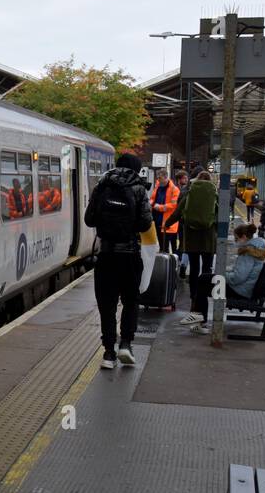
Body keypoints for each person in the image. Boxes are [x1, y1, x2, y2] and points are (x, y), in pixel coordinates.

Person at [84, 152, 154, 369]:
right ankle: (126, 344)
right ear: (136, 168)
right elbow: (145, 224)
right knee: (131, 301)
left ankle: (108, 353)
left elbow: (89, 220)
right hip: (130, 256)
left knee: (107, 305)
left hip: (106, 255)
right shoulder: (139, 188)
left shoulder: (102, 185)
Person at [170, 165, 218, 335]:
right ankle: (202, 319)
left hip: (191, 239)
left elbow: (178, 211)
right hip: (208, 241)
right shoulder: (214, 193)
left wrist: (166, 224)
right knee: (206, 273)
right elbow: (219, 217)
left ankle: (194, 307)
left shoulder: (189, 191)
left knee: (195, 274)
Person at [225, 223, 265, 298]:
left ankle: (201, 309)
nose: (235, 241)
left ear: (243, 237)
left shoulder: (248, 252)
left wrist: (222, 275)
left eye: (236, 238)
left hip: (240, 291)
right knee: (206, 279)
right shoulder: (258, 247)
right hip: (248, 288)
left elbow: (238, 278)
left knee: (204, 280)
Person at [149, 170, 180, 254]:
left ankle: (168, 259)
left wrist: (160, 207)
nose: (158, 180)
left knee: (168, 243)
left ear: (166, 177)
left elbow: (174, 205)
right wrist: (151, 204)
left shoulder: (174, 189)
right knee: (160, 240)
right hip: (157, 217)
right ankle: (162, 254)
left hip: (167, 219)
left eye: (160, 178)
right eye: (158, 178)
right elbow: (152, 198)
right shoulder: (158, 186)